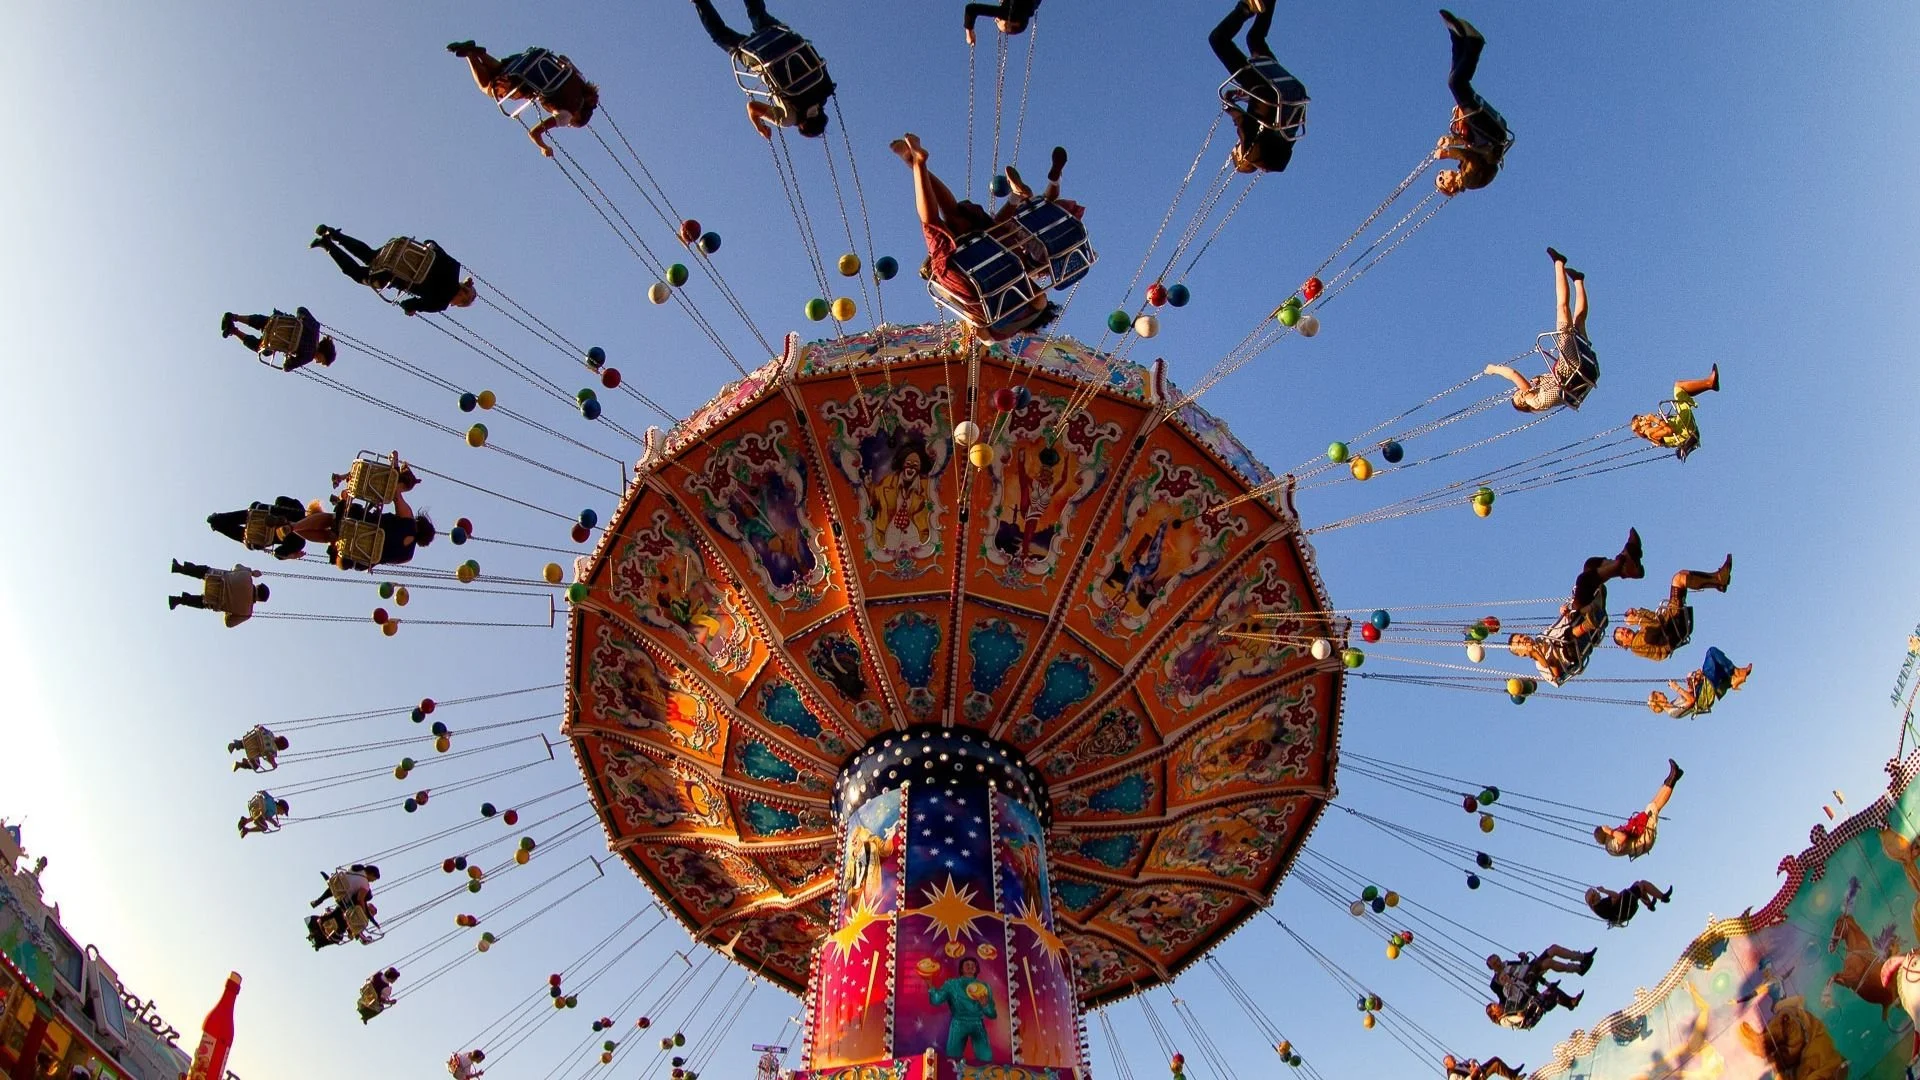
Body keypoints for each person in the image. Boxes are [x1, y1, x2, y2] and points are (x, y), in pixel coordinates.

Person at [893, 134, 1060, 340]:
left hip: (992, 257)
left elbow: (1026, 282)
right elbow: (975, 322)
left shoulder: (1038, 303)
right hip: (966, 278)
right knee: (932, 223)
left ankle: (916, 164)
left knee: (953, 212)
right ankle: (917, 164)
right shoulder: (995, 335)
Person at [1507, 529, 1644, 683]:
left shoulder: (1543, 635)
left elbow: (1563, 623)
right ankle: (1623, 562)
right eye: (1519, 642)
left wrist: (1564, 611)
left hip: (1580, 615)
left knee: (1589, 566)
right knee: (1566, 637)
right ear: (1520, 654)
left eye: (1521, 636)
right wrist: (1535, 654)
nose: (1523, 639)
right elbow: (1557, 675)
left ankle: (1625, 566)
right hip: (1576, 644)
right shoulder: (1540, 665)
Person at [690, 0, 836, 139]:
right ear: (802, 126)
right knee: (720, 35)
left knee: (757, 13)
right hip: (761, 56)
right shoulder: (789, 119)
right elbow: (752, 107)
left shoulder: (824, 89)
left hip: (783, 39)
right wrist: (759, 126)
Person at [1483, 248, 1596, 412]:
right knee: (1562, 310)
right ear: (1522, 402)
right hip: (1571, 368)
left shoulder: (1541, 395)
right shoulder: (1533, 400)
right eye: (1516, 395)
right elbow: (1513, 374)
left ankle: (1579, 281)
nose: (1517, 393)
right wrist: (1494, 369)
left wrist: (1538, 381)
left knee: (1578, 323)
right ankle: (1559, 263)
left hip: (1583, 370)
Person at [446, 42, 599, 156]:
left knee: (501, 69)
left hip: (532, 62)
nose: (568, 125)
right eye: (572, 125)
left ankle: (480, 53)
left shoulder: (580, 82)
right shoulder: (566, 115)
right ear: (579, 116)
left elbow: (563, 58)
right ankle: (470, 55)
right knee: (488, 87)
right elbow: (534, 133)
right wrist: (544, 147)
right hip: (524, 82)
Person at [1210, 1, 1307, 174]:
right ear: (1240, 158)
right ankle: (1246, 8)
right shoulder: (1252, 152)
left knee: (1255, 39)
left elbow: (1262, 120)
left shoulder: (1275, 150)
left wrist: (1243, 96)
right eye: (1236, 149)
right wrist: (1229, 105)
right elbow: (1243, 123)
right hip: (1264, 90)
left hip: (1284, 93)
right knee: (1218, 40)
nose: (1237, 144)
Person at [311, 227, 477, 315]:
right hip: (393, 275)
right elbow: (408, 303)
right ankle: (328, 245)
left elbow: (430, 242)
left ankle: (333, 234)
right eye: (458, 304)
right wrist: (409, 310)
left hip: (401, 253)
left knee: (370, 256)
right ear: (461, 297)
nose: (453, 305)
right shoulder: (440, 303)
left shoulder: (453, 266)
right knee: (358, 275)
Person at [1434, 11, 1509, 195]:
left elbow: (1470, 148)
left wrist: (1452, 140)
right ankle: (1473, 44)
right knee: (1456, 84)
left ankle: (1458, 40)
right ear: (1451, 188)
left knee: (1456, 84)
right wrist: (1451, 152)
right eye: (1442, 181)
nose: (1443, 174)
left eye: (1440, 175)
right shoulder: (1470, 181)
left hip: (1483, 132)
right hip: (1491, 135)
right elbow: (1475, 159)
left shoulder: (1463, 166)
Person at [1614, 555, 1733, 661]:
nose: (1624, 631)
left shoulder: (1640, 631)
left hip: (1670, 623)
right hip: (1672, 630)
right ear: (1625, 644)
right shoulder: (1636, 646)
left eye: (1622, 629)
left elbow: (1656, 617)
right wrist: (1639, 619)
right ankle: (1719, 580)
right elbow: (1655, 627)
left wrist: (1638, 612)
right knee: (1678, 579)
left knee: (1682, 574)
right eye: (1622, 634)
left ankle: (1718, 581)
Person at [1596, 759, 1683, 858]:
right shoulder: (1610, 845)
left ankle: (1673, 778)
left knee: (1651, 805)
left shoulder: (1609, 842)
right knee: (1653, 807)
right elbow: (1623, 838)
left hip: (1642, 839)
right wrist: (1609, 830)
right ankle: (1674, 776)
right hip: (1644, 839)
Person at [1631, 368, 1721, 460]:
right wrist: (1654, 419)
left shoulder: (1653, 430)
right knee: (1678, 387)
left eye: (1642, 417)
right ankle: (1710, 383)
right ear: (1641, 430)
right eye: (1641, 420)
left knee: (1680, 389)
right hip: (1683, 429)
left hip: (1683, 426)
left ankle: (1710, 384)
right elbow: (1669, 431)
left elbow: (1666, 429)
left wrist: (1664, 419)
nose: (1644, 419)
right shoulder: (1650, 433)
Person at [925, 956, 997, 1062]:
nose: (970, 967)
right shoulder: (952, 984)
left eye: (973, 965)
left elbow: (992, 1014)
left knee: (986, 1057)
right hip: (959, 1023)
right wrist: (930, 985)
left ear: (976, 969)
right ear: (961, 969)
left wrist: (985, 1005)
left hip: (977, 1023)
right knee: (952, 1059)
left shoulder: (984, 987)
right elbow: (936, 1000)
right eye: (967, 965)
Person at [1649, 646, 1752, 718]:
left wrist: (1692, 682)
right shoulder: (1672, 712)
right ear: (1658, 702)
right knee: (1711, 652)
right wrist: (1676, 688)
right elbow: (1691, 701)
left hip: (1702, 689)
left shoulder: (1672, 704)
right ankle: (1736, 672)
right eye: (1659, 694)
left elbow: (1690, 693)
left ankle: (1733, 680)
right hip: (1705, 693)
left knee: (1717, 664)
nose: (1662, 693)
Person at [221, 307, 336, 371]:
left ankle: (234, 317)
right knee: (263, 349)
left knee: (266, 321)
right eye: (321, 361)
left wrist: (301, 319)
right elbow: (287, 366)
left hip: (280, 323)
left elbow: (301, 309)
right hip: (276, 341)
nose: (317, 361)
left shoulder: (315, 327)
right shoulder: (308, 356)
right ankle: (234, 331)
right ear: (323, 353)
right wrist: (288, 358)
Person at [167, 560, 268, 627]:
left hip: (214, 579)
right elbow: (229, 623)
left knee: (206, 572)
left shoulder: (247, 576)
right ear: (259, 600)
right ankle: (177, 600)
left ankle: (179, 568)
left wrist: (251, 572)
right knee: (204, 603)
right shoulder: (247, 613)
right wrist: (228, 610)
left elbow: (237, 566)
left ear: (258, 586)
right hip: (213, 600)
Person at [208, 497, 308, 561]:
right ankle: (216, 524)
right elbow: (278, 553)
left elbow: (279, 499)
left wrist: (280, 511)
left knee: (244, 516)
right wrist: (292, 556)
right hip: (259, 537)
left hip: (260, 515)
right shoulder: (299, 542)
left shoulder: (299, 509)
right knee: (242, 535)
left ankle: (217, 519)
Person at [1484, 980, 1580, 1030]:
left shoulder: (1505, 1007)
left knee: (1552, 990)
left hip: (1530, 1009)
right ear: (1494, 1014)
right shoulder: (1503, 1020)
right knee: (1551, 995)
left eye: (1495, 1004)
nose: (1497, 1005)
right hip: (1529, 1018)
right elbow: (1519, 1018)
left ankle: (1570, 1002)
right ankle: (1565, 1002)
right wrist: (1519, 1010)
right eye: (1495, 1006)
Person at [1585, 880, 1673, 928]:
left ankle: (1649, 904)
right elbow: (1616, 896)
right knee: (1642, 884)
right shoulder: (1602, 905)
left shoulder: (1598, 908)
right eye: (1596, 892)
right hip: (1626, 906)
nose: (1598, 893)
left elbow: (1592, 907)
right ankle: (1663, 897)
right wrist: (1604, 890)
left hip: (1624, 907)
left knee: (1636, 884)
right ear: (1593, 898)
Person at [964, 0, 1041, 44]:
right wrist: (969, 34)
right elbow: (971, 9)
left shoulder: (1027, 11)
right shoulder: (1010, 13)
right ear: (1009, 23)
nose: (995, 19)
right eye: (998, 21)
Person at [313, 864, 381, 909]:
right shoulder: (366, 885)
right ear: (372, 874)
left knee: (337, 886)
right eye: (374, 879)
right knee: (345, 895)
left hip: (336, 885)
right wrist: (363, 909)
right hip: (343, 899)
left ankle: (320, 899)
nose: (372, 881)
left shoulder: (356, 869)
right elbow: (360, 899)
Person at [1443, 1055, 1525, 1080]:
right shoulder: (1452, 1076)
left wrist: (1472, 1064)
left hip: (1478, 1072)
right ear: (1447, 1064)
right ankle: (1514, 1078)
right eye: (1452, 1060)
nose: (1454, 1060)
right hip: (1476, 1078)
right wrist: (1471, 1075)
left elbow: (1471, 1059)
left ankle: (1513, 1073)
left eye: (1453, 1058)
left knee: (1495, 1059)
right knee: (1496, 1065)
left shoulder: (1458, 1065)